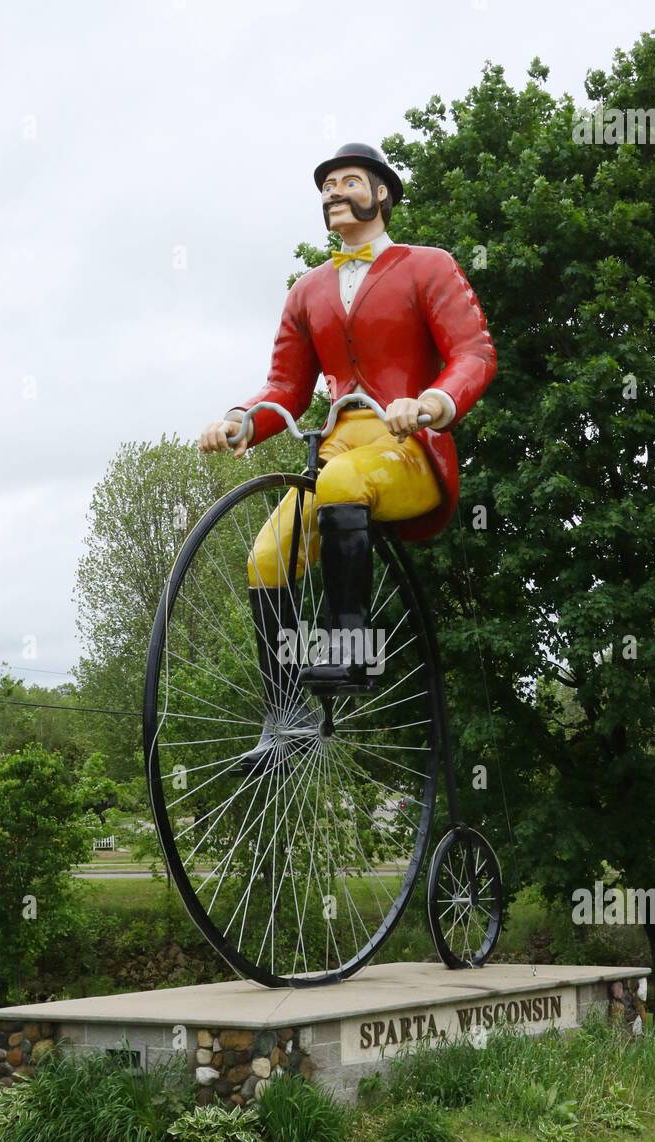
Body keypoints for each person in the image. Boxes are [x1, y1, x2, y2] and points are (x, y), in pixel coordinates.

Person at [200, 141, 497, 774]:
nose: (334, 192)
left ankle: (353, 647)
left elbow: (475, 353)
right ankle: (286, 717)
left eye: (348, 181)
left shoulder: (427, 266)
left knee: (338, 483)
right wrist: (240, 421)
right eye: (327, 186)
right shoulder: (309, 290)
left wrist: (433, 403)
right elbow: (286, 388)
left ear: (382, 193)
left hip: (405, 447)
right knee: (266, 557)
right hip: (337, 445)